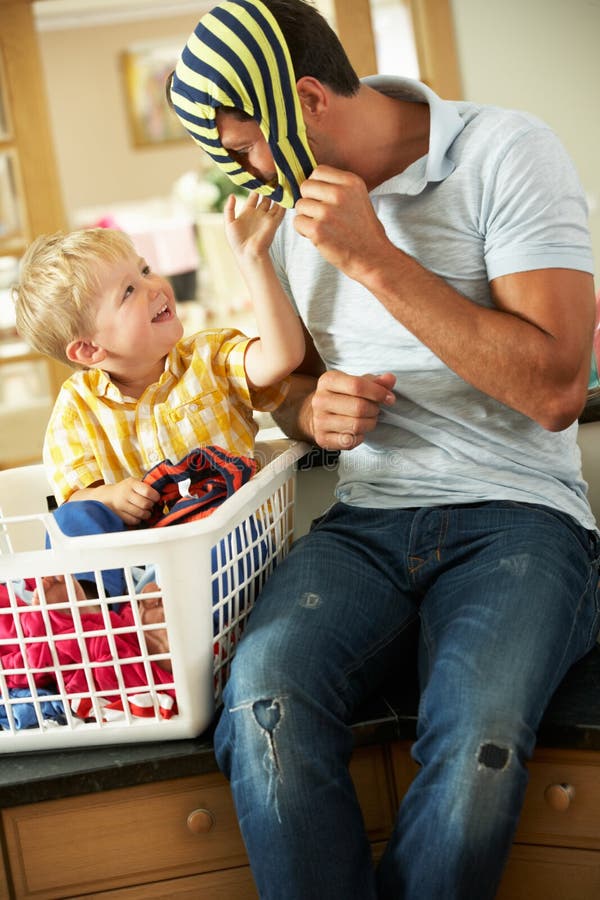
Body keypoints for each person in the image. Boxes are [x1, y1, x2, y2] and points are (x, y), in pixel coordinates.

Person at [168, 1, 600, 898]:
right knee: (262, 705)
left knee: (478, 735)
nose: (248, 175)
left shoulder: (505, 153)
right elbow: (294, 385)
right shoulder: (290, 209)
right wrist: (307, 412)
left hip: (521, 519)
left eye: (248, 146)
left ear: (307, 100)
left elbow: (557, 389)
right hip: (366, 523)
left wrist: (374, 260)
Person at [13, 194, 304, 623]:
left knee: (237, 539)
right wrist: (110, 497)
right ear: (91, 349)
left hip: (219, 556)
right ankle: (102, 614)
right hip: (131, 570)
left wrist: (253, 258)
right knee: (72, 519)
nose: (155, 286)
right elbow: (79, 498)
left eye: (144, 269)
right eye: (129, 291)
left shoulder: (210, 357)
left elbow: (282, 356)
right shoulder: (77, 407)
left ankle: (153, 623)